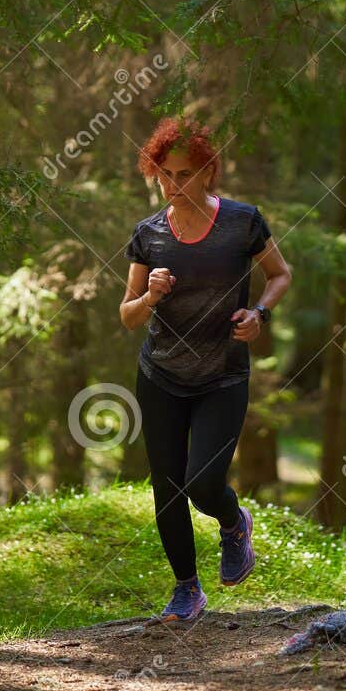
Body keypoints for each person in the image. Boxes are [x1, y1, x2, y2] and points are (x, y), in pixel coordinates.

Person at [119, 116, 293, 624]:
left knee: (202, 482)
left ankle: (234, 521)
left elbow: (279, 274)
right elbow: (127, 316)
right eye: (164, 174)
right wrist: (150, 295)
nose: (174, 185)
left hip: (222, 375)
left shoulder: (242, 222)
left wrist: (259, 314)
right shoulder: (147, 236)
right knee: (167, 487)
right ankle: (186, 590)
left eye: (185, 173)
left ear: (208, 172)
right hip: (161, 378)